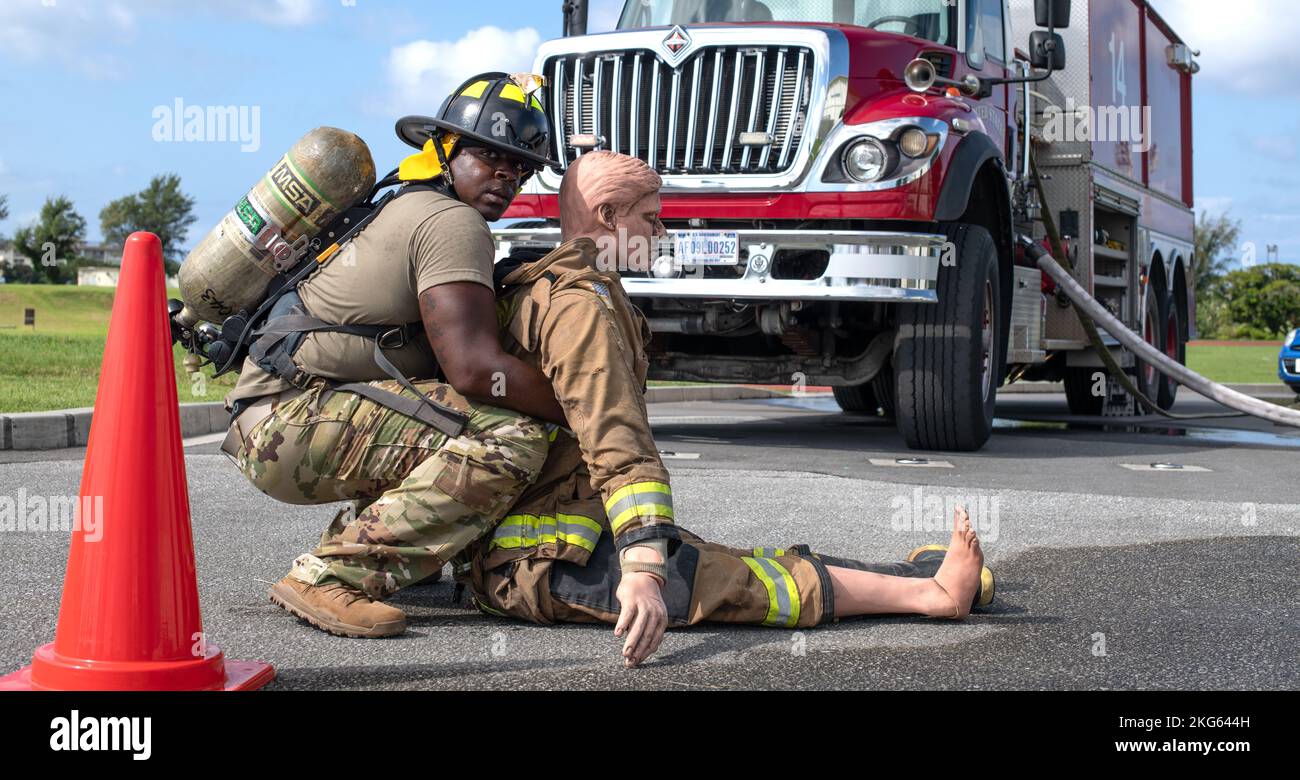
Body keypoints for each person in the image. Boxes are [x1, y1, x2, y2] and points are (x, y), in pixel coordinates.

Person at [461, 150, 994, 666]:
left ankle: (912, 575)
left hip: (557, 532)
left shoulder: (545, 287)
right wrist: (645, 571)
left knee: (725, 561)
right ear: (608, 217)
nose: (661, 233)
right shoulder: (582, 307)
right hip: (536, 565)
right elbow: (617, 442)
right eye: (650, 218)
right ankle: (932, 596)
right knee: (736, 584)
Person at [221, 72, 570, 638]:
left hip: (277, 414)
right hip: (291, 421)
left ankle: (394, 554)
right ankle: (333, 575)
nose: (506, 177)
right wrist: (583, 410)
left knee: (443, 407)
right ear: (444, 148)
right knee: (512, 437)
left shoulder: (402, 204)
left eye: (520, 169)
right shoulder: (451, 221)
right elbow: (476, 370)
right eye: (489, 156)